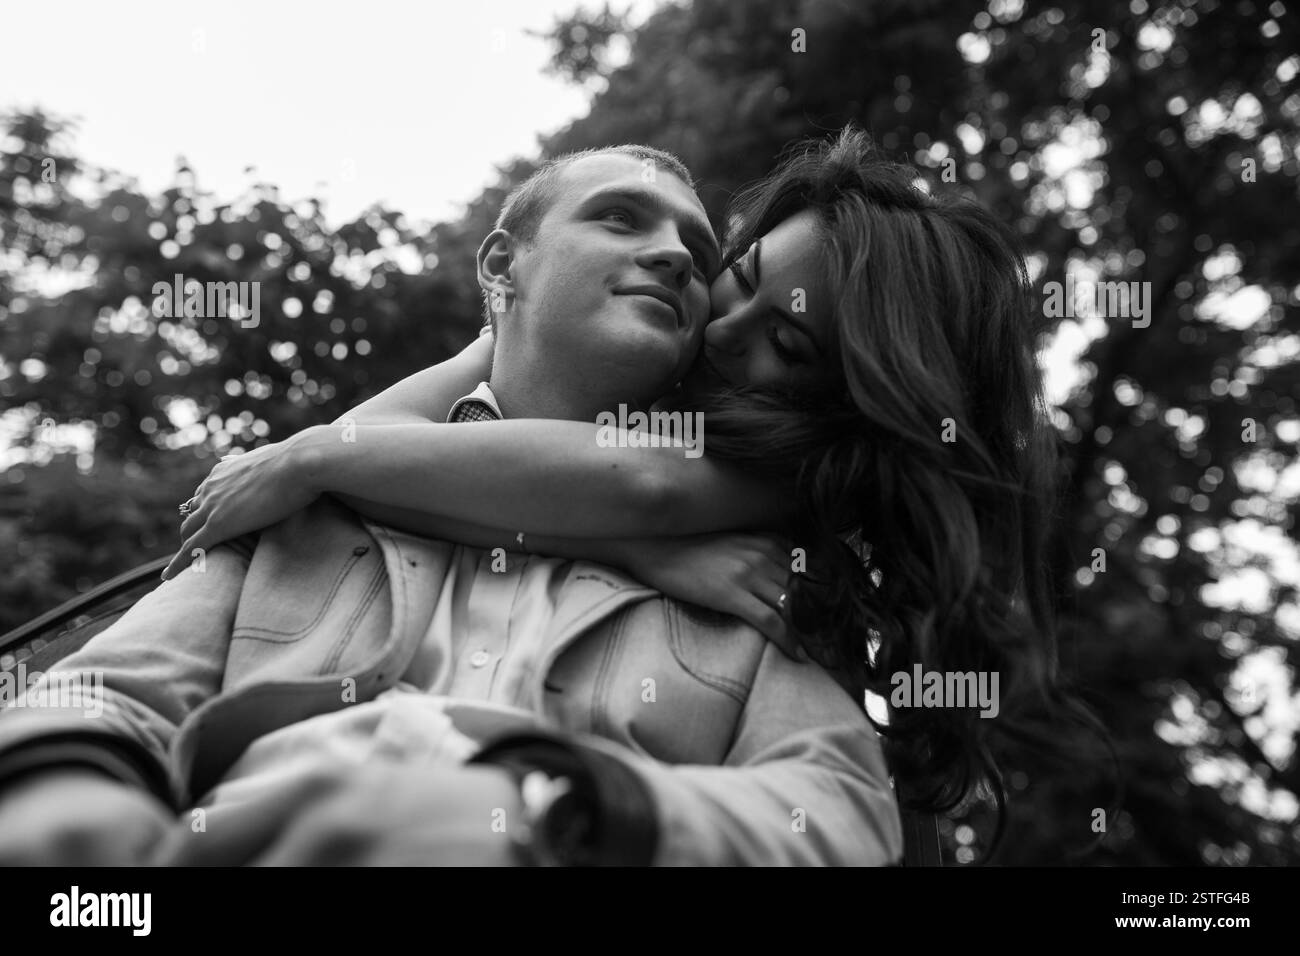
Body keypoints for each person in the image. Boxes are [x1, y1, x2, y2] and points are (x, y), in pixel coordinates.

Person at [170, 126, 1109, 847]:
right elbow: (404, 452)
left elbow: (634, 491)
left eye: (785, 343)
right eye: (733, 280)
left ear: (855, 398)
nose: (722, 331)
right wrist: (486, 353)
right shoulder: (640, 393)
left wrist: (303, 459)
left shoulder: (807, 469)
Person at [0, 142, 904, 866]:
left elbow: (837, 812)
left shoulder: (761, 557)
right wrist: (66, 797)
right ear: (503, 264)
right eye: (619, 218)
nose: (673, 255)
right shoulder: (310, 506)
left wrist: (571, 806)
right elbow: (102, 694)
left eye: (701, 255)